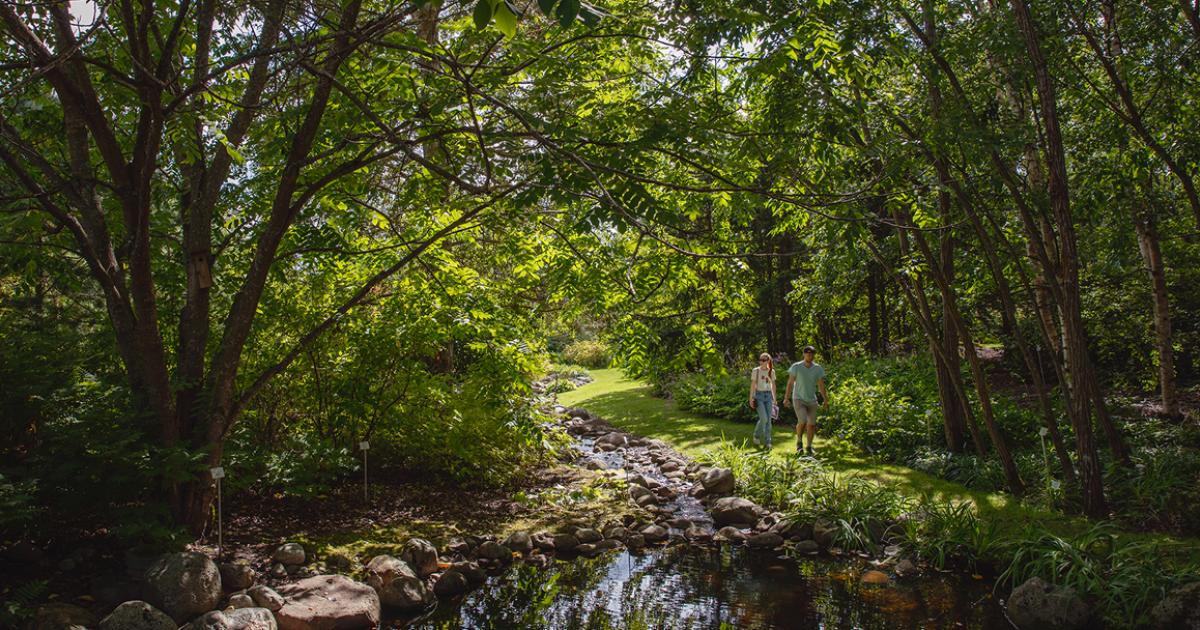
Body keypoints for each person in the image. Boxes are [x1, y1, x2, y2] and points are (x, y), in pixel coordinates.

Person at [784, 345, 828, 455]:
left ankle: (809, 446)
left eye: (812, 353)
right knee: (802, 420)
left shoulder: (818, 368)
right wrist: (786, 398)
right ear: (804, 354)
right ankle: (799, 442)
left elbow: (821, 386)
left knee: (812, 424)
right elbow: (790, 383)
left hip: (812, 399)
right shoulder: (796, 367)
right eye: (807, 353)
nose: (810, 355)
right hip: (798, 398)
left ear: (814, 355)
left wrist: (826, 400)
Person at [747, 352, 777, 449]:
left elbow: (773, 386)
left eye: (763, 360)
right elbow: (752, 385)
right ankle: (756, 435)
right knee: (764, 418)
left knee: (768, 421)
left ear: (768, 361)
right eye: (760, 360)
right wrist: (751, 398)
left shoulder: (771, 371)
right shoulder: (756, 371)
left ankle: (768, 442)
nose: (761, 362)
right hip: (759, 396)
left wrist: (774, 398)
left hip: (768, 396)